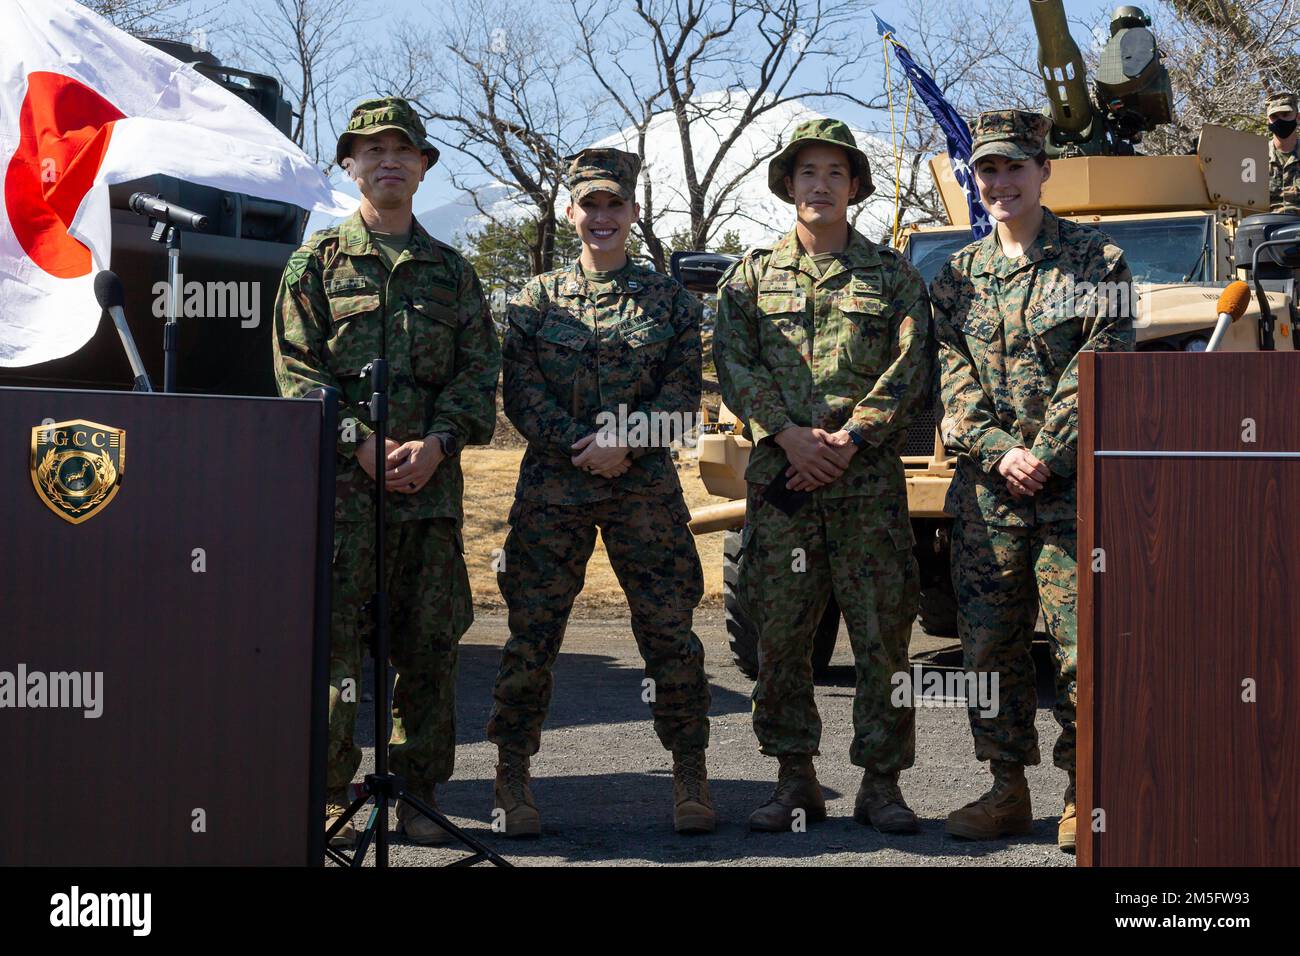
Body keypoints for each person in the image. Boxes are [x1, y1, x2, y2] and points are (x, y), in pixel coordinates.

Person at [273, 97, 501, 848]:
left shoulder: (453, 273)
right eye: (371, 151)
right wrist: (359, 442)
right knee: (332, 653)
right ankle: (329, 793)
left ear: (425, 165)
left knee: (430, 649)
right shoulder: (315, 264)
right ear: (349, 165)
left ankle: (418, 794)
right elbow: (295, 369)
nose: (388, 161)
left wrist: (436, 442)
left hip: (429, 501)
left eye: (402, 149)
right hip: (340, 504)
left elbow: (478, 374)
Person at [712, 119, 933, 834]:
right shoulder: (749, 277)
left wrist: (850, 437)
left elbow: (913, 366)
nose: (820, 184)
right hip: (784, 484)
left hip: (865, 483)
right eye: (808, 171)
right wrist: (790, 436)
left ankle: (881, 784)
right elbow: (733, 364)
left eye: (835, 173)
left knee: (882, 639)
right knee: (781, 638)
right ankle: (794, 779)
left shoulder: (893, 276)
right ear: (788, 185)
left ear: (855, 187)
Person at [485, 147, 713, 836]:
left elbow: (682, 397)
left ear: (634, 213)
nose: (602, 217)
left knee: (670, 633)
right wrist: (581, 445)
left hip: (643, 488)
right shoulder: (534, 299)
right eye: (591, 205)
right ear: (570, 212)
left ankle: (690, 774)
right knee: (533, 634)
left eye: (615, 205)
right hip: (554, 488)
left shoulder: (670, 301)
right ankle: (512, 777)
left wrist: (625, 439)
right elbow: (519, 393)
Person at [930, 109, 1134, 854]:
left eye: (1015, 166)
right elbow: (952, 380)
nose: (1001, 181)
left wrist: (1042, 452)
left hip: (1074, 493)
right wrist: (997, 450)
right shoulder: (956, 277)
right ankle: (1005, 789)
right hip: (987, 499)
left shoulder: (1097, 261)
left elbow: (1104, 366)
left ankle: (1086, 793)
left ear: (1044, 169)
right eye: (988, 169)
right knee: (988, 651)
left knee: (1085, 651)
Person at [1266, 91, 1299, 215]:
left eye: (1285, 114)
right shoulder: (1254, 158)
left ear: (1298, 117)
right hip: (1264, 229)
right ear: (1268, 121)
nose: (1280, 121)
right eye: (1274, 117)